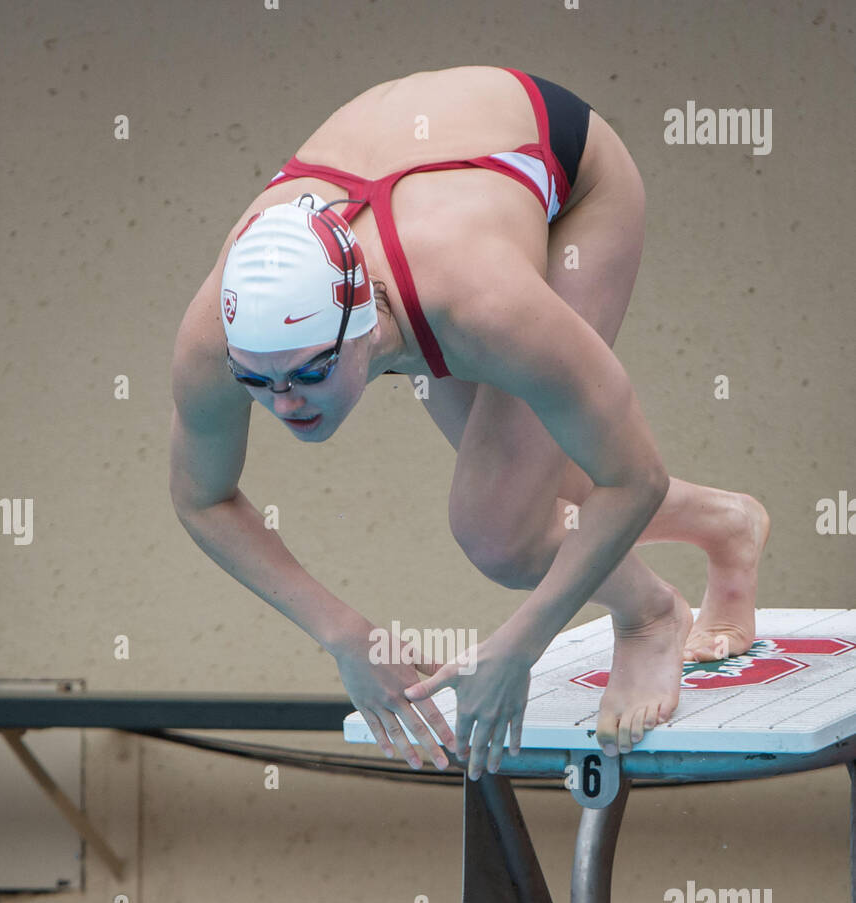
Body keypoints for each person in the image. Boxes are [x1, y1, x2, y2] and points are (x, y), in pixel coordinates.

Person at [171, 65, 770, 782]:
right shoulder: (216, 337)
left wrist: (521, 641)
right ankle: (725, 523)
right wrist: (345, 635)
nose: (286, 404)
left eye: (308, 374)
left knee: (500, 530)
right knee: (542, 479)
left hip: (564, 168)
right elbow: (200, 496)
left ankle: (649, 615)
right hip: (409, 173)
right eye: (257, 384)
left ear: (368, 330)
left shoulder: (485, 306)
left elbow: (635, 479)